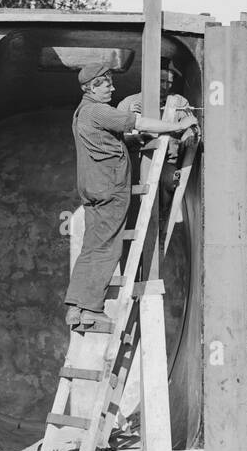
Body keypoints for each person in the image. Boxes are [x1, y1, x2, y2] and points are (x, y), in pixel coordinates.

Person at [64, 60, 197, 330]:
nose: (112, 90)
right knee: (108, 248)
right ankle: (92, 309)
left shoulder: (81, 113)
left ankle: (76, 307)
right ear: (92, 87)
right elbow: (135, 121)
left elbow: (104, 141)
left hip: (91, 187)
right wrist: (177, 126)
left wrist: (132, 142)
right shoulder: (98, 110)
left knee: (90, 248)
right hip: (110, 188)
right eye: (107, 85)